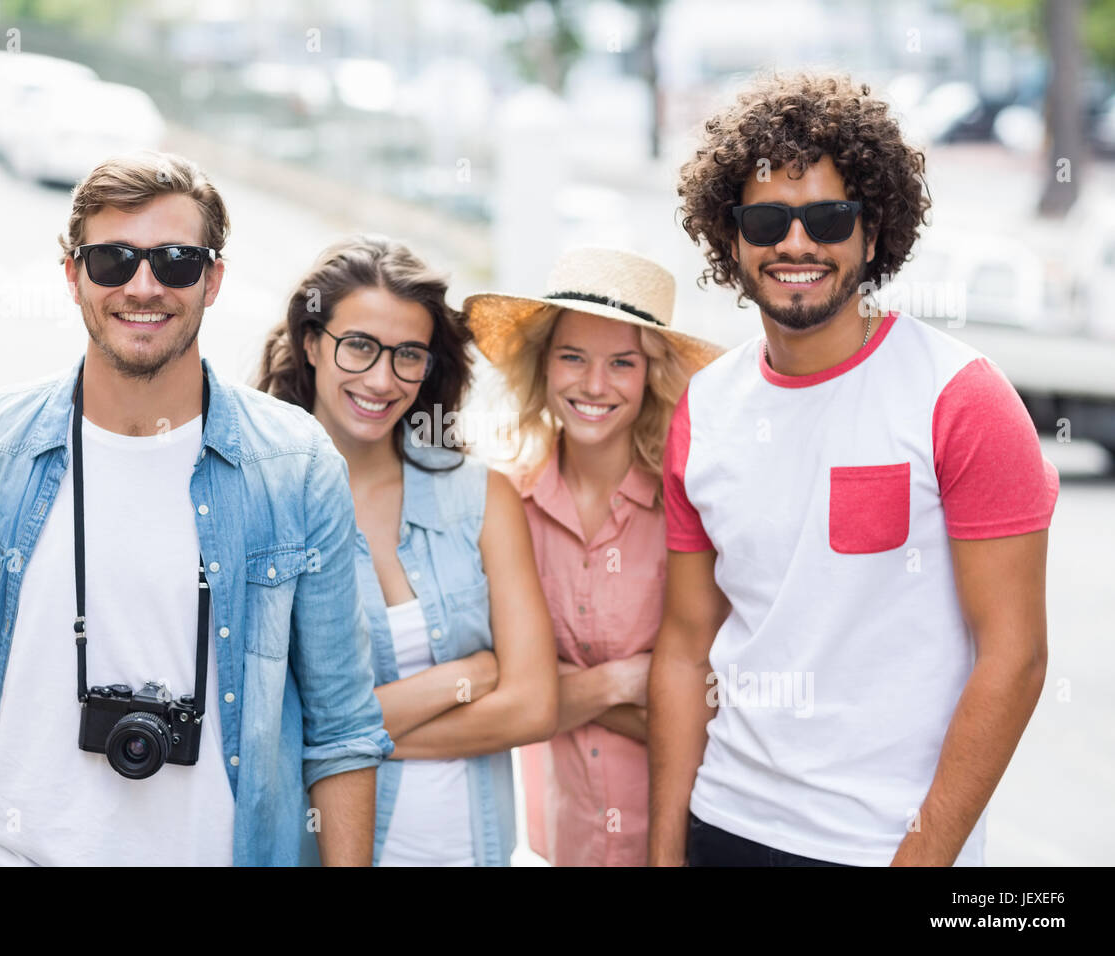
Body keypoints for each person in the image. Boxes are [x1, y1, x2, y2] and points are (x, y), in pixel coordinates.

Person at [0, 152, 392, 867]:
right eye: (112, 260)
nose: (143, 286)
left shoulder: (296, 468)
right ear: (74, 275)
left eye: (175, 260)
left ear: (214, 279)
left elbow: (342, 730)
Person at [650, 72, 1060, 867]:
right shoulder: (704, 407)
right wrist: (667, 850)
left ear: (873, 233)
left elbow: (1016, 657)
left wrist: (921, 855)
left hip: (886, 847)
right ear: (729, 238)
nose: (796, 243)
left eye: (828, 217)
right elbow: (684, 643)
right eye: (767, 218)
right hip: (725, 823)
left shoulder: (959, 397)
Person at [257, 235, 558, 866]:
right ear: (312, 343)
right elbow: (273, 732)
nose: (381, 379)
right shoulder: (262, 503)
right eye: (359, 346)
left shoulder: (481, 496)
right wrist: (462, 678)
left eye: (408, 356)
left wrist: (344, 734)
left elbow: (533, 706)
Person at [464, 247, 722, 865]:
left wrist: (555, 695)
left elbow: (718, 709)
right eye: (573, 357)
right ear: (544, 365)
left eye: (621, 363)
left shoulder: (693, 507)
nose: (594, 385)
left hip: (681, 842)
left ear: (651, 375)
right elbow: (497, 689)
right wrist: (623, 682)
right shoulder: (505, 503)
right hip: (562, 841)